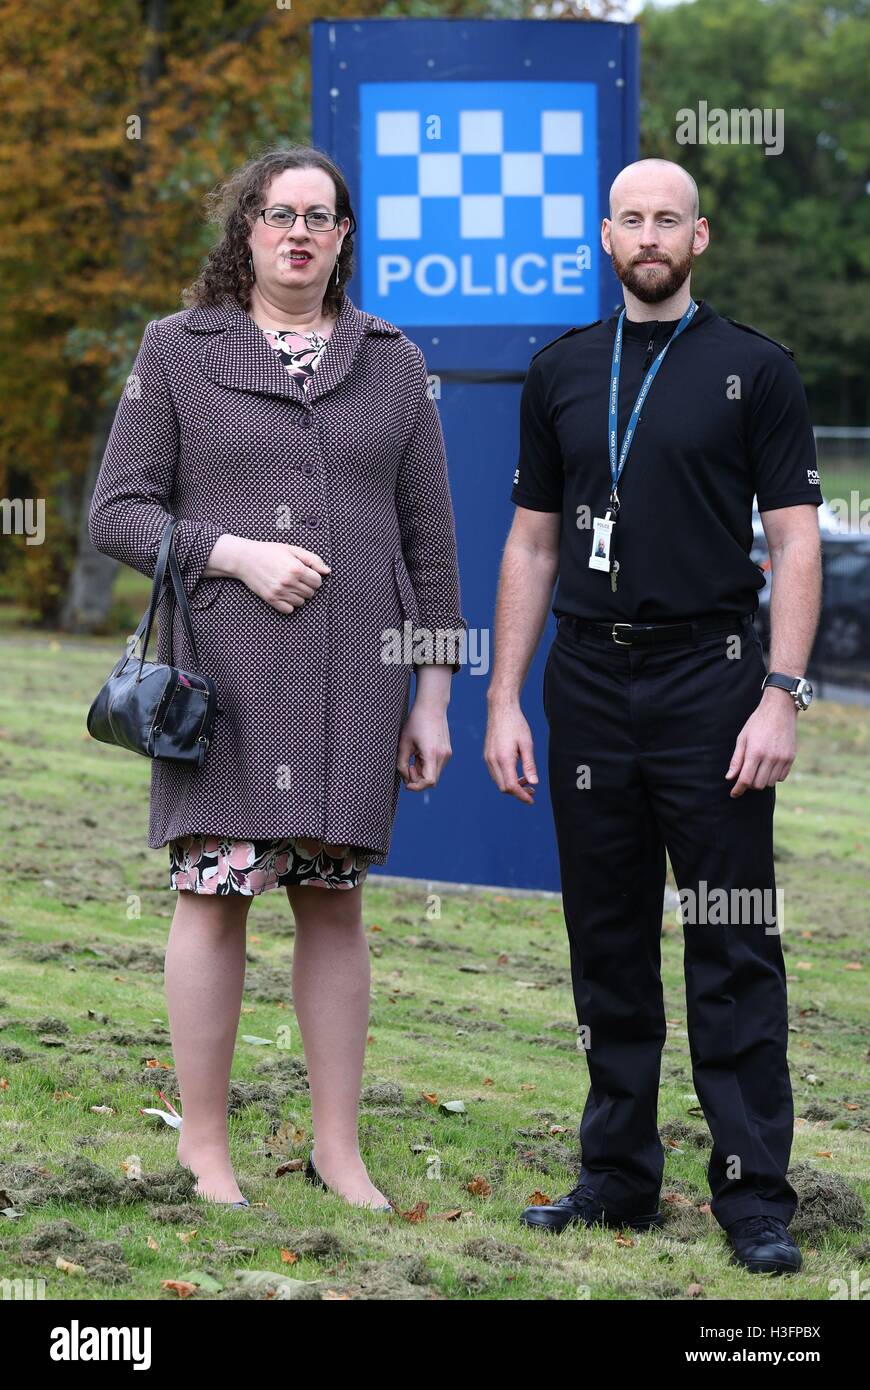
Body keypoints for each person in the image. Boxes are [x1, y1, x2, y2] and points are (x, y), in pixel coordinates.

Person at [88, 144, 466, 1210]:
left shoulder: (395, 361)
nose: (298, 231)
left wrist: (431, 695)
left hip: (358, 680)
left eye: (319, 216)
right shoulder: (175, 351)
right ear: (244, 229)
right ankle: (203, 1147)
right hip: (228, 678)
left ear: (344, 237)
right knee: (212, 898)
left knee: (334, 906)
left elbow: (431, 546)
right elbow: (118, 510)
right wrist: (234, 552)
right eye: (276, 212)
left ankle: (338, 1150)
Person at [484, 158, 822, 1275]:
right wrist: (504, 697)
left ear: (700, 235)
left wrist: (781, 692)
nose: (648, 234)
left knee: (730, 941)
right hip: (587, 679)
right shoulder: (561, 369)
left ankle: (754, 1198)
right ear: (604, 235)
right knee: (609, 940)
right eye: (630, 218)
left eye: (666, 217)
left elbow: (796, 540)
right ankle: (619, 1176)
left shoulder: (754, 369)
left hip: (712, 679)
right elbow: (532, 540)